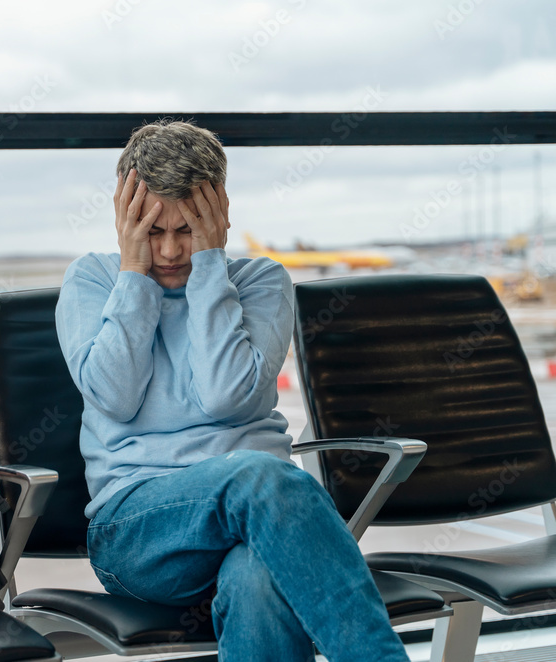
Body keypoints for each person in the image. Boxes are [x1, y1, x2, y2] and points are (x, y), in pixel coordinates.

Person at [54, 119, 410, 661]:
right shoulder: (94, 281)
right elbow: (115, 396)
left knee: (257, 581)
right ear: (123, 219)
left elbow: (227, 397)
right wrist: (135, 276)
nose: (171, 251)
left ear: (219, 215)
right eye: (153, 231)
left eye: (188, 230)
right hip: (140, 532)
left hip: (258, 520)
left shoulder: (260, 281)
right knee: (263, 475)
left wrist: (210, 271)